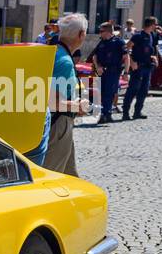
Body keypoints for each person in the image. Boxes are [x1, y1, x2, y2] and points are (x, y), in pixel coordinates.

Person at [43, 12, 89, 176]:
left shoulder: (55, 53)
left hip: (59, 123)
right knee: (52, 176)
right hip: (59, 124)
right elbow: (52, 102)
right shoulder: (65, 62)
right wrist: (80, 106)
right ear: (81, 35)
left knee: (71, 177)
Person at [121, 16, 160, 121]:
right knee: (133, 90)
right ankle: (125, 113)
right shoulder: (138, 35)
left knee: (144, 90)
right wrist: (132, 62)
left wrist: (153, 57)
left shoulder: (152, 35)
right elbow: (126, 48)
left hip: (147, 67)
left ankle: (137, 112)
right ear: (151, 25)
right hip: (138, 67)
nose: (156, 26)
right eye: (155, 24)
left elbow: (149, 50)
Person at [88, 21, 126, 124]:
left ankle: (105, 114)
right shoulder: (101, 42)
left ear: (108, 31)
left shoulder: (119, 42)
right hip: (102, 71)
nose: (99, 33)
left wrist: (126, 72)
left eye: (101, 31)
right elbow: (94, 56)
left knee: (109, 93)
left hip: (113, 71)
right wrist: (97, 67)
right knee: (102, 93)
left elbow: (125, 57)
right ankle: (107, 114)